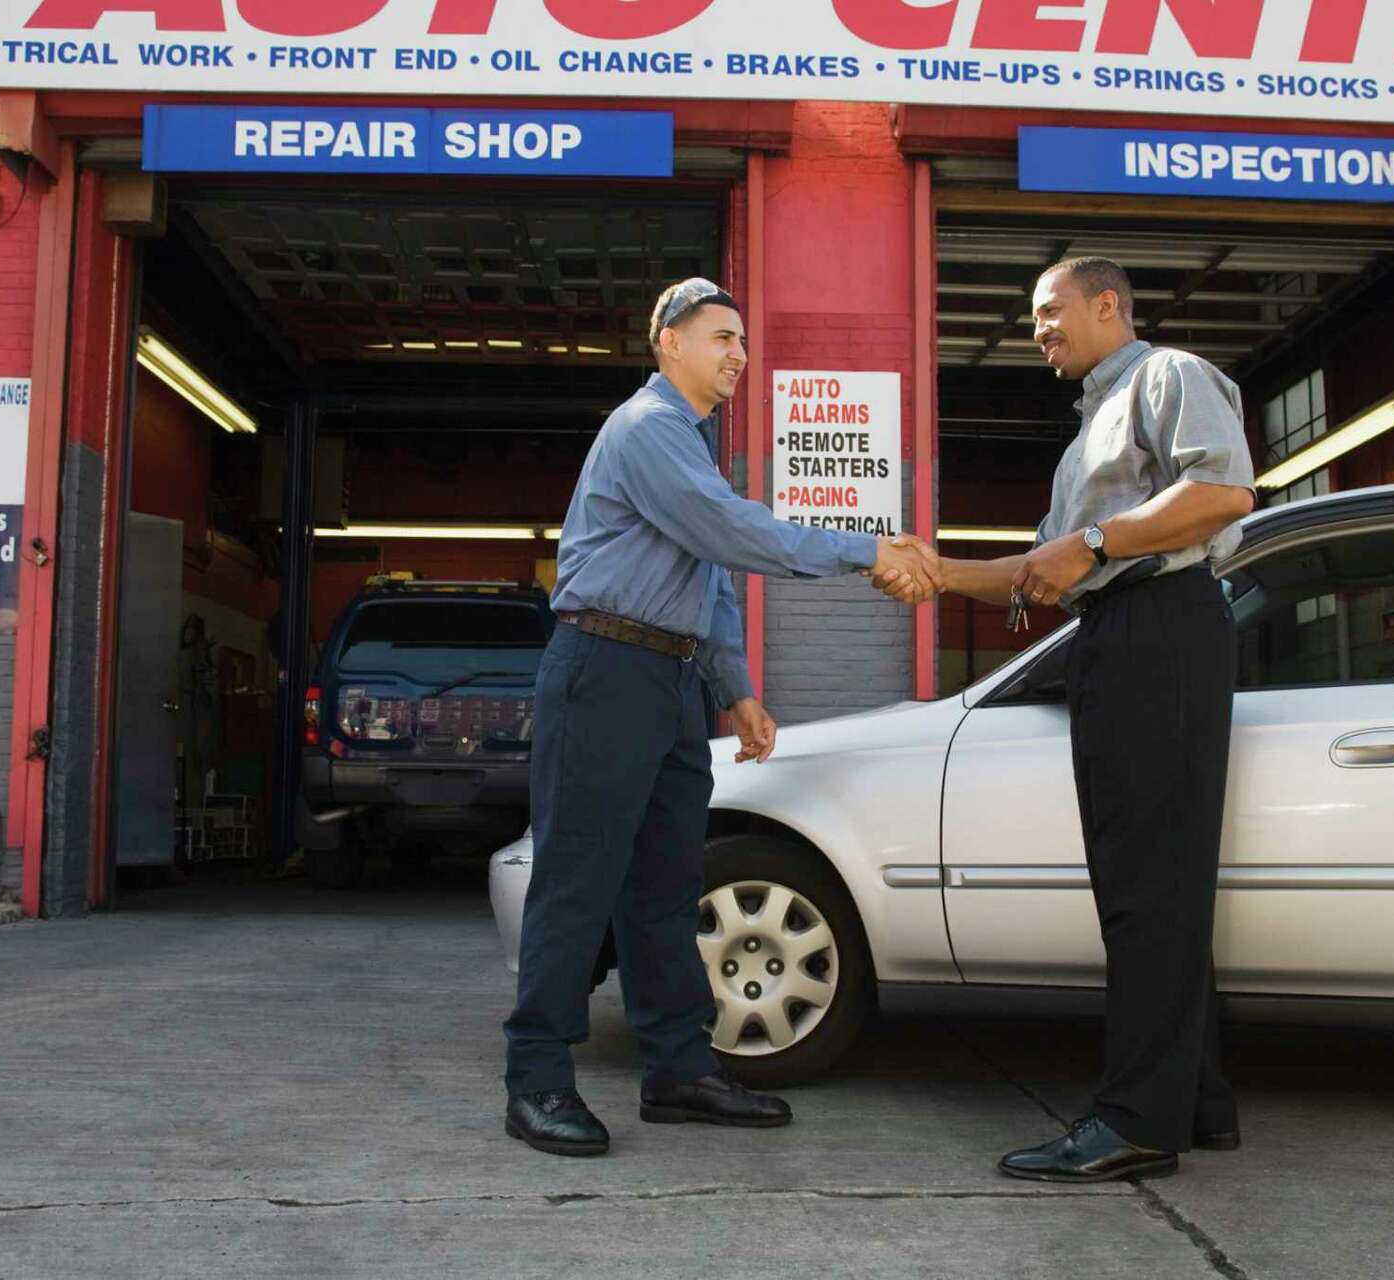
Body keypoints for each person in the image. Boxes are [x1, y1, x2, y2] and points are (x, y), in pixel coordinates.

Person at [503, 277, 941, 1158]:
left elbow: (706, 577)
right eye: (720, 337)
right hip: (605, 669)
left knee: (666, 884)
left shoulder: (691, 446)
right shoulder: (647, 430)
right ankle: (536, 1079)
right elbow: (732, 533)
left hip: (667, 681)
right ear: (667, 340)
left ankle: (677, 1069)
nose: (739, 354)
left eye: (743, 340)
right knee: (579, 879)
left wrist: (735, 688)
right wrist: (867, 550)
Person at [883, 256, 1254, 1182]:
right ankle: (1194, 1102)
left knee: (1146, 892)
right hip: (1120, 633)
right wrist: (938, 574)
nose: (1038, 328)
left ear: (1107, 305)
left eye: (1051, 311)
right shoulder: (1087, 430)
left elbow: (1223, 494)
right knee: (1152, 884)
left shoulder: (1167, 375)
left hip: (1160, 634)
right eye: (1032, 316)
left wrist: (1090, 541)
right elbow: (1051, 571)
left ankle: (1134, 1120)